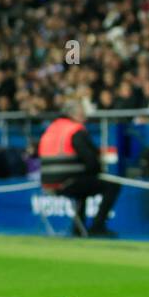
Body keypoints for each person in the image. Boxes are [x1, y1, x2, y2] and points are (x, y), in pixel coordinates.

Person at [38, 102, 118, 237]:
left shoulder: (51, 129)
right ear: (74, 115)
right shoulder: (75, 130)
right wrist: (98, 170)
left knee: (84, 188)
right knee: (112, 186)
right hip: (68, 182)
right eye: (82, 114)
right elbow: (91, 159)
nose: (85, 118)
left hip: (47, 184)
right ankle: (97, 226)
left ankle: (78, 228)